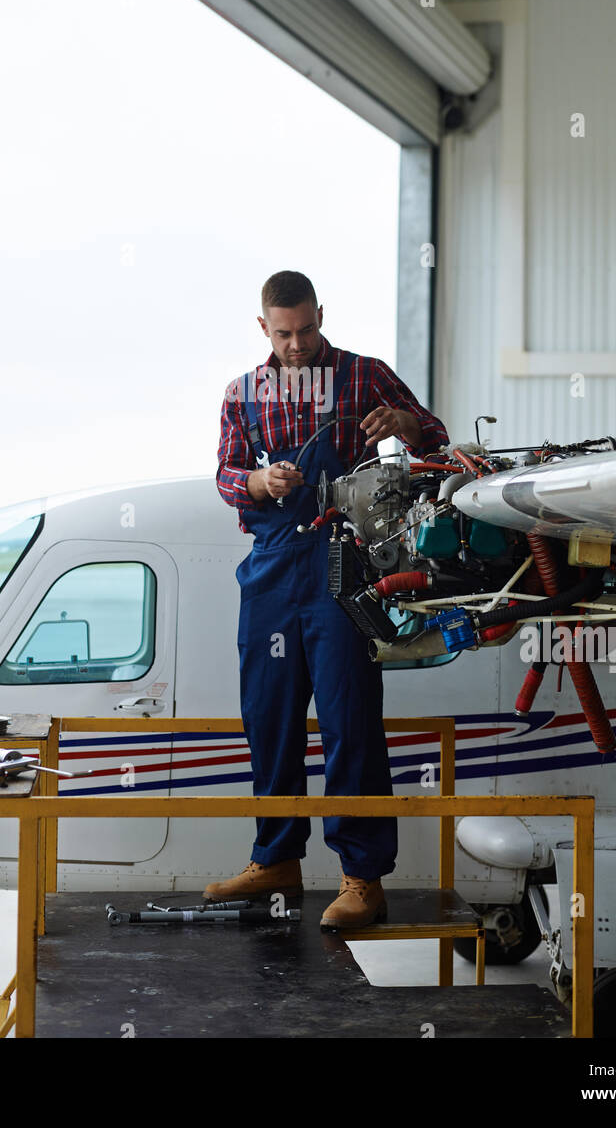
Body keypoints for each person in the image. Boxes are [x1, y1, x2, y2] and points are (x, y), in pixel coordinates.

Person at [209, 270, 449, 929]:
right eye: (283, 333)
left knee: (350, 721)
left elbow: (435, 436)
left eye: (306, 329)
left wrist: (403, 420)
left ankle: (362, 878)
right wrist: (259, 479)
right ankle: (275, 859)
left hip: (346, 565)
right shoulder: (244, 394)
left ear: (321, 316)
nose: (296, 344)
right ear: (264, 328)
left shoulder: (365, 374)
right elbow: (228, 478)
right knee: (269, 718)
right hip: (271, 569)